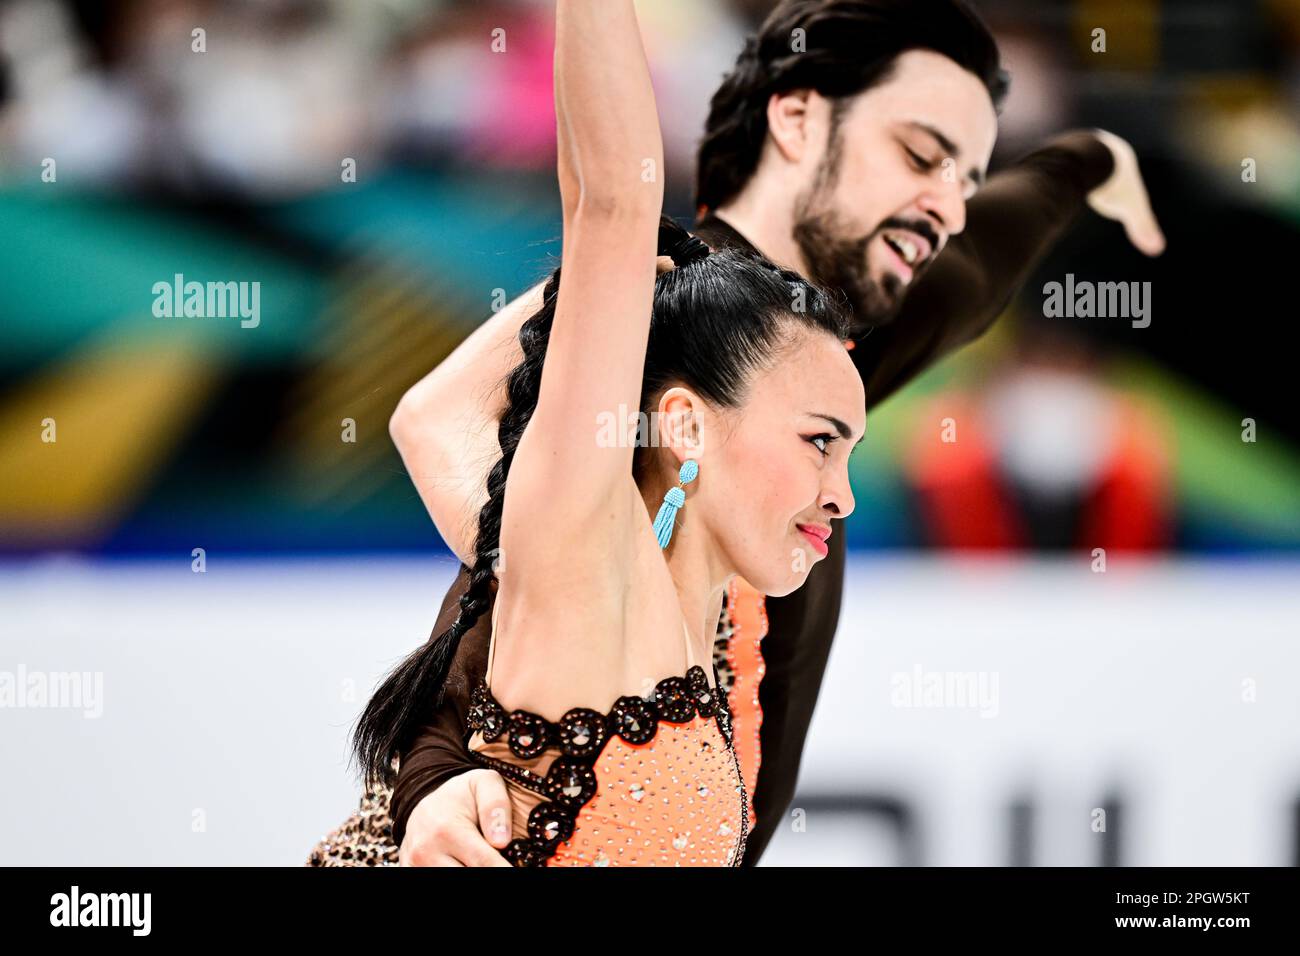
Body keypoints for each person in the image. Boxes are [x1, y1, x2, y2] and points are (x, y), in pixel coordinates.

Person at [307, 0, 1163, 867]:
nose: (947, 208)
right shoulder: (671, 310)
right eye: (920, 155)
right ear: (796, 117)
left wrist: (1093, 160)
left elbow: (988, 256)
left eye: (968, 181)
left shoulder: (856, 323)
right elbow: (504, 540)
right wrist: (432, 777)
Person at [332, 0, 863, 868]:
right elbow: (612, 199)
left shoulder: (685, 609)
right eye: (818, 442)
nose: (842, 495)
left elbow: (432, 423)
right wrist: (631, 265)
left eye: (849, 453)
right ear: (686, 422)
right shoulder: (587, 560)